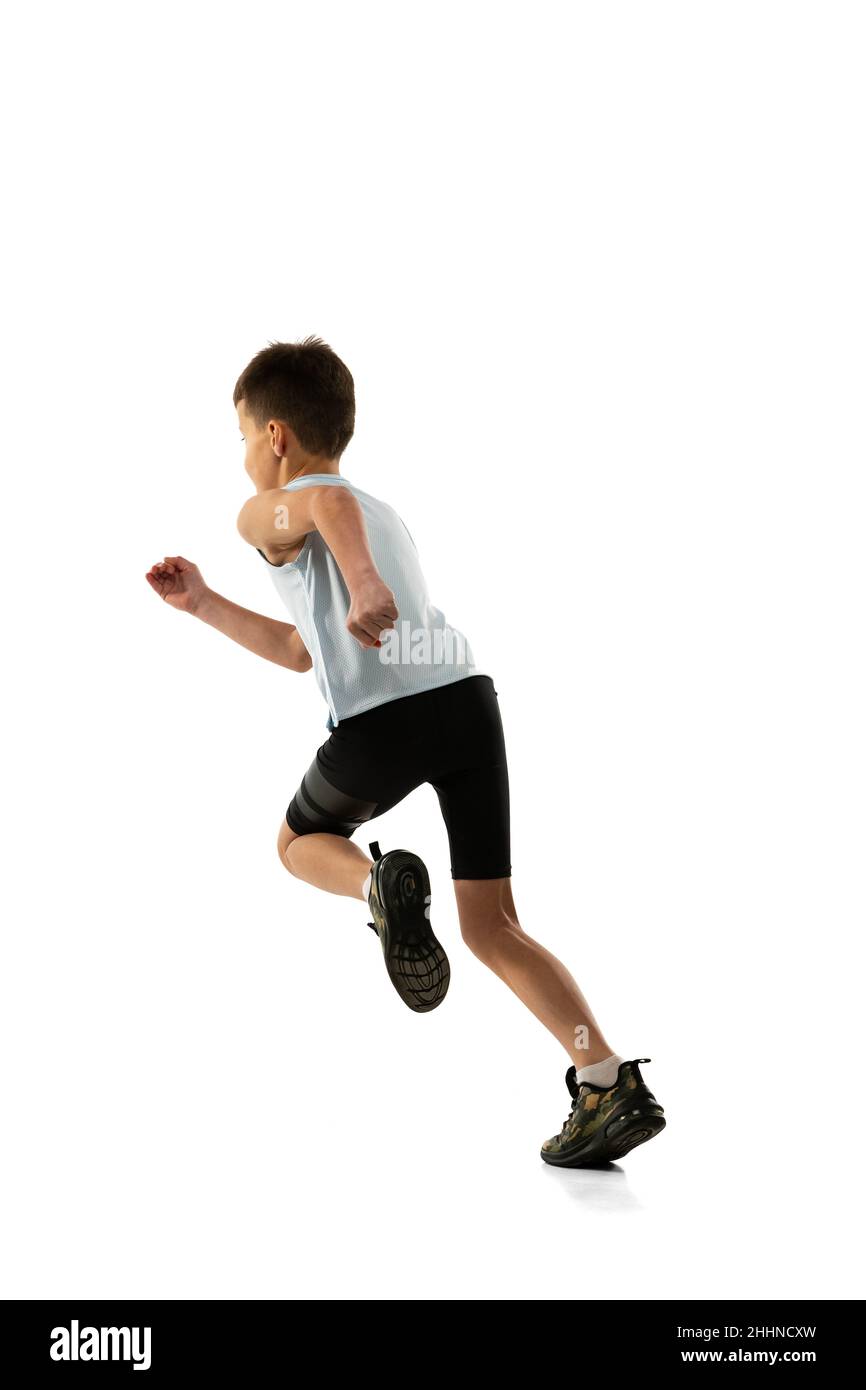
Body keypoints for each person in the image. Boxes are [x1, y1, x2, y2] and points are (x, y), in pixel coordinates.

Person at [146, 336, 666, 1166]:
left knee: (296, 844)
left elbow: (319, 507)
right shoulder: (385, 513)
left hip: (386, 724)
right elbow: (300, 650)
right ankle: (606, 1078)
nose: (245, 456)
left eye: (243, 437)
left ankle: (377, 887)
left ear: (275, 435)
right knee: (493, 926)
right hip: (466, 705)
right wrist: (204, 602)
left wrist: (363, 583)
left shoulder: (270, 508)